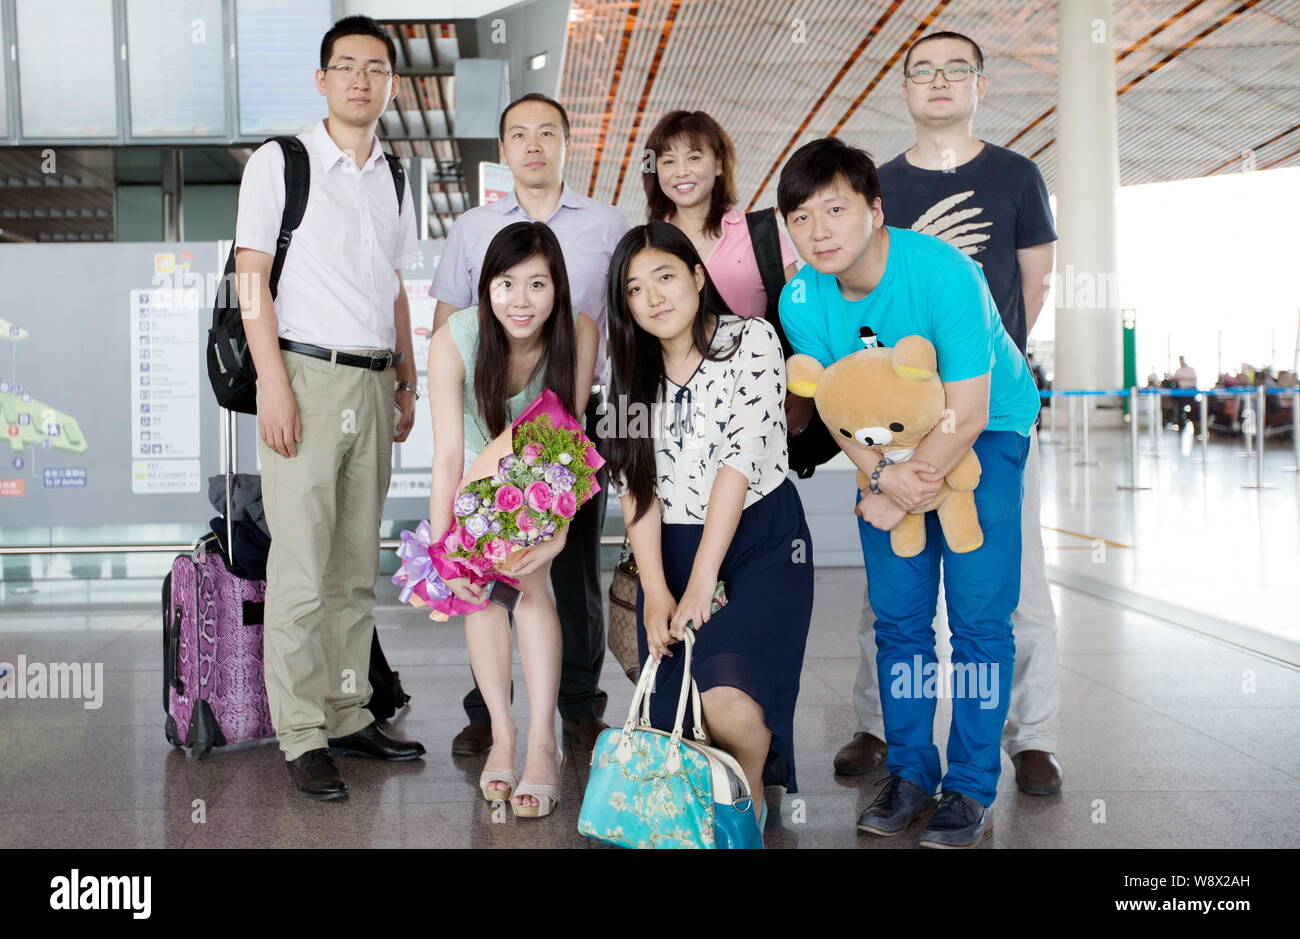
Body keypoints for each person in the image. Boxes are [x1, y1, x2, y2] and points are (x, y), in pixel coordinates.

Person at [778, 137, 1041, 847]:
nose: (819, 230)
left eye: (836, 209)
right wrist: (879, 475)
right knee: (900, 621)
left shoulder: (943, 273)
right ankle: (911, 771)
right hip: (884, 448)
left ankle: (971, 785)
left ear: (876, 208)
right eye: (801, 217)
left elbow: (971, 410)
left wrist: (904, 487)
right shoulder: (801, 296)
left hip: (986, 431)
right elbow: (839, 406)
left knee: (981, 619)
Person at [834, 30, 1065, 797]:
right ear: (902, 89)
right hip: (896, 418)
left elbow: (1031, 289)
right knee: (891, 589)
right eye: (922, 72)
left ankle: (1031, 736)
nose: (938, 82)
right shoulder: (880, 185)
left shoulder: (1016, 176)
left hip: (987, 411)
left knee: (1009, 586)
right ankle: (879, 725)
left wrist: (974, 374)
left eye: (954, 70)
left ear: (980, 84)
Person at [235, 15, 426, 801]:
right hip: (305, 380)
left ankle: (349, 710)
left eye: (374, 68)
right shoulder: (283, 162)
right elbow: (251, 276)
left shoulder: (395, 174)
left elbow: (394, 287)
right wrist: (271, 381)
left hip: (375, 382)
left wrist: (407, 378)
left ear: (389, 84)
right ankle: (301, 732)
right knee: (303, 569)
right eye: (345, 66)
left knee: (354, 568)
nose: (359, 79)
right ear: (321, 80)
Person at [430, 93, 629, 757]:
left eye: (548, 132)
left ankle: (575, 705)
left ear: (567, 143)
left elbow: (621, 322)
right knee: (483, 565)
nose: (534, 144)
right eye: (519, 134)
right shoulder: (474, 226)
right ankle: (491, 713)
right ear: (504, 148)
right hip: (485, 406)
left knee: (567, 564)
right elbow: (452, 323)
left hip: (569, 410)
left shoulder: (606, 223)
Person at [605, 221, 814, 837]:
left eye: (665, 277)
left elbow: (737, 466)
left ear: (698, 276)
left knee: (728, 705)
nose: (653, 298)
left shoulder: (751, 341)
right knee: (681, 722)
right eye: (635, 289)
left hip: (757, 540)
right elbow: (635, 486)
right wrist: (657, 591)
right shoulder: (629, 371)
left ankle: (745, 809)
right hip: (667, 550)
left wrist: (700, 586)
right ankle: (715, 814)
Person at [428, 221, 599, 817]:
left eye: (536, 285)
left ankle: (544, 743)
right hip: (476, 477)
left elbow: (567, 440)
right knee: (478, 595)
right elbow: (448, 453)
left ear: (558, 288)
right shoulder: (456, 339)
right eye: (506, 284)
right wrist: (445, 551)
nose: (520, 301)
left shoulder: (578, 333)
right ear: (486, 287)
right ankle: (503, 733)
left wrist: (555, 533)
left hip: (543, 472)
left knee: (531, 584)